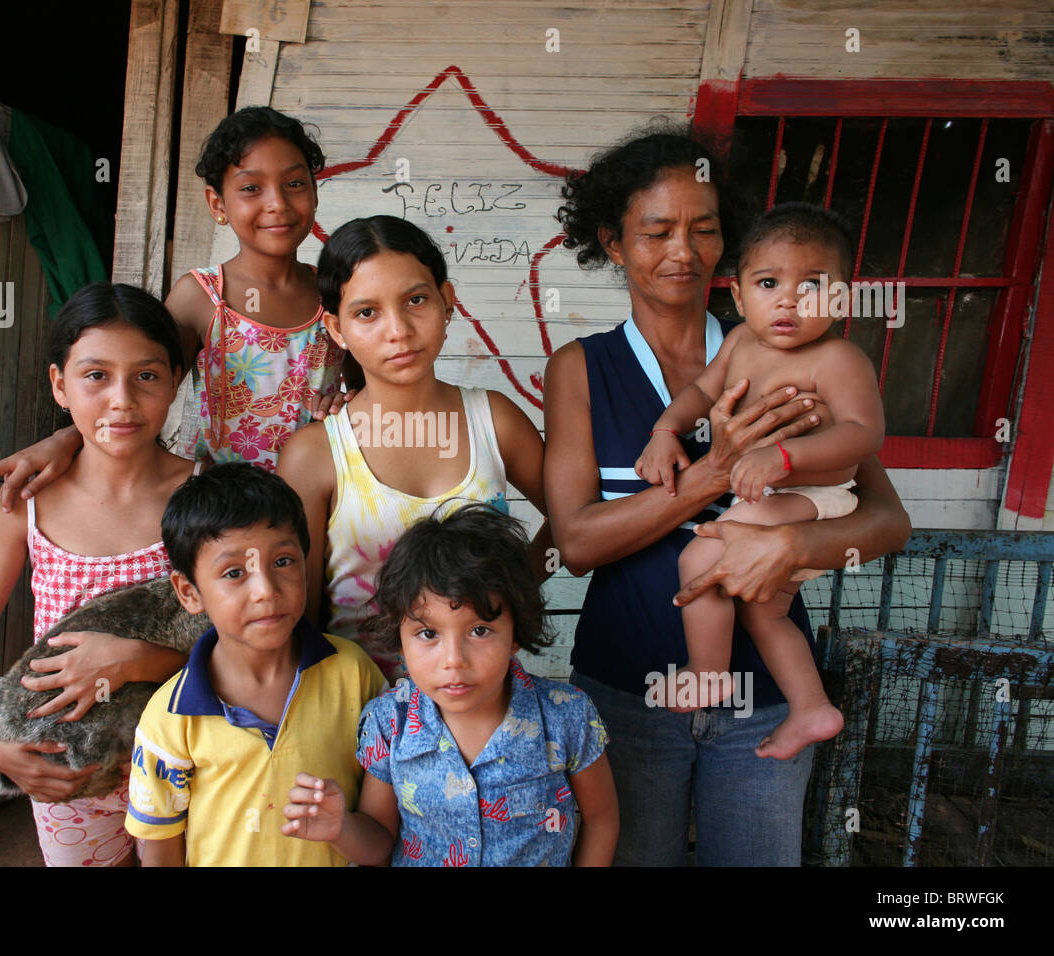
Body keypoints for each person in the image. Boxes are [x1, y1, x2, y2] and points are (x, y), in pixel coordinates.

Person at [542, 126, 911, 866]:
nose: (683, 250)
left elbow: (886, 522)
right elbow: (577, 544)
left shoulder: (791, 353)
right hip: (628, 689)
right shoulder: (583, 368)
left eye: (704, 229)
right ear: (613, 243)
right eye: (657, 231)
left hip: (764, 699)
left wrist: (794, 544)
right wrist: (714, 472)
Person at [0, 106, 353, 507]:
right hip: (221, 508)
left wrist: (345, 403)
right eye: (251, 188)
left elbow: (369, 390)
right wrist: (64, 439)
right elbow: (139, 385)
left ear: (313, 190)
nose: (277, 203)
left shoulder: (335, 293)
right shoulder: (203, 297)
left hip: (320, 497)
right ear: (217, 203)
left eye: (294, 183)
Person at [0, 282, 194, 867]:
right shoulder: (28, 503)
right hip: (69, 772)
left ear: (176, 381)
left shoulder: (207, 496)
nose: (122, 400)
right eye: (95, 376)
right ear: (59, 384)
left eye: (147, 376)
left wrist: (137, 660)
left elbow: (245, 643)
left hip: (190, 755)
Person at [636, 203, 885, 760]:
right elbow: (701, 393)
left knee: (702, 558)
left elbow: (864, 434)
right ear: (740, 295)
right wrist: (664, 431)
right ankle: (811, 707)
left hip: (815, 497)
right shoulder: (741, 344)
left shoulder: (839, 358)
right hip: (780, 498)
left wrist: (785, 457)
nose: (789, 300)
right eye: (769, 282)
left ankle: (708, 675)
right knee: (765, 611)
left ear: (843, 297)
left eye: (814, 286)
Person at [276, 215, 552, 677]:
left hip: (486, 707)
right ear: (336, 328)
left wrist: (508, 592)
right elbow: (297, 612)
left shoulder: (494, 420)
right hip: (360, 718)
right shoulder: (316, 454)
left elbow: (571, 525)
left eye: (416, 300)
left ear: (447, 301)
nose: (398, 329)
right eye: (367, 312)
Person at [281, 503, 619, 866]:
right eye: (428, 633)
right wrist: (340, 827)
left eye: (479, 630)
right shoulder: (389, 724)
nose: (454, 659)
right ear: (400, 638)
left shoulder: (566, 715)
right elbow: (379, 840)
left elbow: (601, 819)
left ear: (516, 633)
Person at [125, 463, 385, 866]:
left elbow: (382, 844)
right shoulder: (170, 718)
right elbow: (161, 856)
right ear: (190, 592)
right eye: (233, 573)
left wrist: (342, 827)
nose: (266, 591)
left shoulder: (355, 675)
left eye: (283, 561)